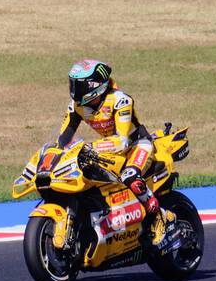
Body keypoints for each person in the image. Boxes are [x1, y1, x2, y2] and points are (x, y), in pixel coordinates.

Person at [53, 59, 166, 217]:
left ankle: (159, 216)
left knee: (130, 176)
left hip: (138, 145)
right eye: (73, 84)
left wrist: (90, 147)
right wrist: (56, 152)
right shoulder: (77, 106)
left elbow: (122, 141)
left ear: (95, 85)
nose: (75, 90)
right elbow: (64, 136)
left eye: (80, 85)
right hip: (112, 150)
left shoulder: (120, 100)